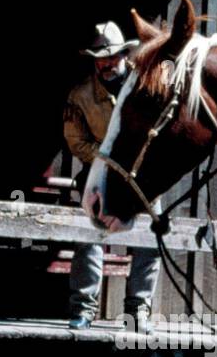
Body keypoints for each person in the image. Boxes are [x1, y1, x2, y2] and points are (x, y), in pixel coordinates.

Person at [61, 21, 160, 330]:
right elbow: (76, 140)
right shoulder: (81, 96)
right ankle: (83, 308)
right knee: (90, 236)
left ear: (123, 55)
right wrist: (110, 161)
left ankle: (137, 311)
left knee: (150, 238)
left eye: (112, 56)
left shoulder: (146, 88)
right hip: (100, 177)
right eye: (100, 57)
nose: (106, 63)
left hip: (144, 178)